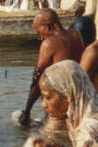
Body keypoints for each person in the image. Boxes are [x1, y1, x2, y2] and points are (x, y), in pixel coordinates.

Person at [17, 8, 85, 139]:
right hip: (78, 101)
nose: (40, 37)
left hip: (59, 106)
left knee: (51, 142)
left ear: (48, 26)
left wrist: (27, 111)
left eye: (39, 32)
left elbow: (37, 79)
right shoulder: (76, 36)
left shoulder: (49, 43)